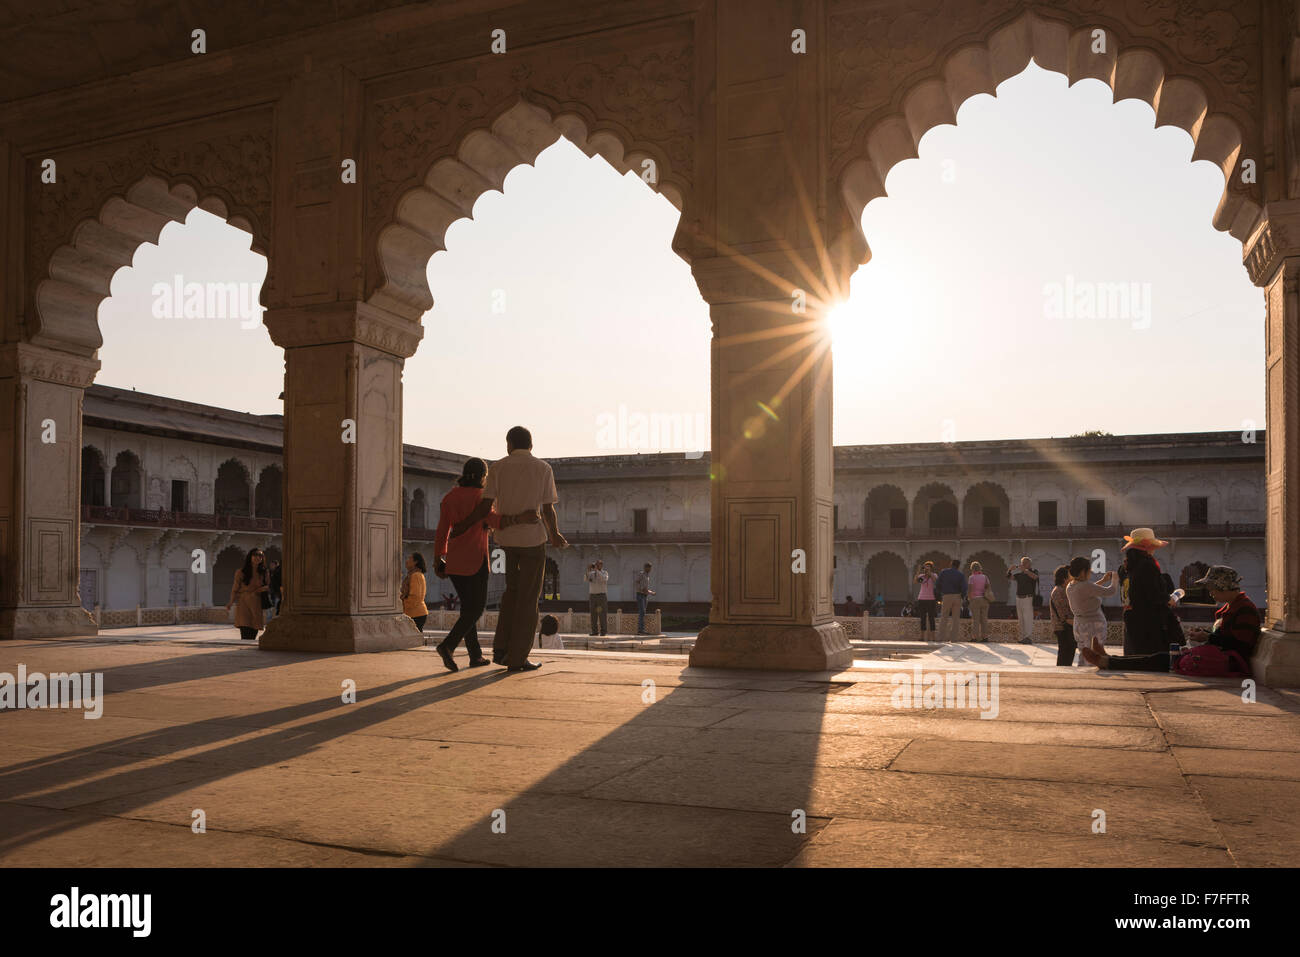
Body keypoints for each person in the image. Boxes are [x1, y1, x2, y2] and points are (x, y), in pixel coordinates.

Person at [451, 427, 567, 672]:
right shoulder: (543, 468)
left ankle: (501, 650)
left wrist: (463, 525)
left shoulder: (498, 467)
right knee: (528, 601)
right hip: (533, 542)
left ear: (509, 444)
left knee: (511, 595)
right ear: (531, 445)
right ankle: (517, 658)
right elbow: (547, 509)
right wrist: (555, 534)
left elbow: (485, 507)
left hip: (506, 541)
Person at [434, 456, 539, 673]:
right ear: (483, 477)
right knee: (476, 609)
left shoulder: (449, 497)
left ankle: (475, 656)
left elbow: (442, 531)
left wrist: (438, 559)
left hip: (454, 562)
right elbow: (495, 521)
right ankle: (448, 645)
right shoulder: (482, 497)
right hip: (475, 560)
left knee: (468, 609)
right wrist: (522, 518)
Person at [1081, 565, 1259, 673]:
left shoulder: (1244, 610)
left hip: (1229, 662)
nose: (1210, 592)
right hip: (1219, 657)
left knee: (1161, 660)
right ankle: (1108, 659)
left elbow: (1240, 645)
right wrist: (1206, 635)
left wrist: (1209, 637)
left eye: (1212, 587)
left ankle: (1107, 662)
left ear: (1223, 586)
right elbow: (1228, 638)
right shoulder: (1233, 607)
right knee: (1161, 658)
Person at [1120, 527, 1181, 655]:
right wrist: (1168, 599)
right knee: (1152, 658)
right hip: (1150, 620)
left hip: (1133, 618)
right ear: (1148, 547)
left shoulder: (1128, 567)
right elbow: (1154, 594)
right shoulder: (1147, 565)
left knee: (1137, 658)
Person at [1066, 557, 1117, 662]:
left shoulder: (1071, 585)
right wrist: (1115, 579)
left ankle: (1083, 673)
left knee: (1084, 653)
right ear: (1083, 572)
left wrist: (1103, 581)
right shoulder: (1085, 586)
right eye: (1089, 571)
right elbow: (1110, 591)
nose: (1090, 573)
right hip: (1093, 625)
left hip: (1079, 624)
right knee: (1095, 654)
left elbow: (1089, 590)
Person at [225, 547, 269, 641]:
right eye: (255, 555)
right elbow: (235, 589)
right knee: (245, 628)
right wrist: (231, 602)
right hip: (244, 602)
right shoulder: (241, 572)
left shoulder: (264, 572)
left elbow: (269, 586)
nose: (258, 557)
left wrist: (259, 590)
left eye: (260, 555)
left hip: (256, 602)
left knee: (254, 629)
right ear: (250, 557)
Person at [1006, 557, 1039, 644]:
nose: (1023, 565)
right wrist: (1009, 570)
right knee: (1021, 619)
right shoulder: (1020, 575)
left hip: (1028, 598)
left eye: (1025, 563)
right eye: (1022, 563)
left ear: (1029, 564)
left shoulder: (1033, 571)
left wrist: (1025, 570)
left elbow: (1035, 577)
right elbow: (1009, 577)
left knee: (1027, 618)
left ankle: (1028, 637)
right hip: (1019, 598)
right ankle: (1022, 637)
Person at [1049, 564, 1075, 666]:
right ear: (1065, 578)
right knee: (1065, 655)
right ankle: (1062, 675)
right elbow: (1064, 616)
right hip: (1063, 627)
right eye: (1070, 575)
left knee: (1067, 653)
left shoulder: (1063, 590)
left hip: (1064, 626)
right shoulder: (1059, 591)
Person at [936, 559, 966, 642]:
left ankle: (941, 638)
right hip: (957, 596)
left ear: (951, 564)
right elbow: (964, 587)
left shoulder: (944, 572)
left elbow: (938, 584)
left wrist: (941, 592)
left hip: (946, 595)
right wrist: (962, 596)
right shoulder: (960, 575)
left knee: (944, 617)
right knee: (955, 618)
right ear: (958, 566)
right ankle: (954, 639)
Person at [400, 552, 428, 636]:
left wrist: (402, 604)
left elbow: (415, 596)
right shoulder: (414, 574)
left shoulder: (416, 575)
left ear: (415, 562)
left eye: (409, 559)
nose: (406, 561)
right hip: (415, 612)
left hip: (416, 613)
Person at [967, 560, 993, 642]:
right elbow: (988, 588)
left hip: (975, 599)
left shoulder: (971, 577)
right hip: (984, 599)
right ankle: (985, 637)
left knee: (976, 619)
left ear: (972, 569)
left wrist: (969, 599)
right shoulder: (985, 577)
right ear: (980, 568)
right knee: (984, 619)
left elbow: (970, 589)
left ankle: (975, 637)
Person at [914, 561, 938, 636]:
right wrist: (918, 571)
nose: (926, 569)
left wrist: (929, 573)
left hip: (931, 599)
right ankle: (922, 636)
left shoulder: (934, 575)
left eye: (928, 567)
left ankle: (933, 636)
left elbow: (935, 581)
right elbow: (915, 581)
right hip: (921, 599)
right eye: (925, 567)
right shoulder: (922, 576)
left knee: (931, 618)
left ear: (931, 568)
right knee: (922, 618)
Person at [586, 560, 609, 636]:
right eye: (596, 564)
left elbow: (603, 579)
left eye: (598, 565)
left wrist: (596, 570)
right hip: (592, 596)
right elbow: (586, 579)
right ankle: (594, 631)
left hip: (601, 596)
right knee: (593, 615)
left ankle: (603, 631)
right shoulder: (592, 574)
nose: (597, 566)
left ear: (601, 565)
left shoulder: (604, 573)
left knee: (602, 614)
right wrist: (588, 569)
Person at [634, 563, 656, 634]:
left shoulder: (647, 576)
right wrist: (641, 589)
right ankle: (640, 630)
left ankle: (642, 629)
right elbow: (636, 582)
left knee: (643, 612)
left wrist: (651, 592)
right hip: (640, 595)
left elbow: (645, 588)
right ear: (645, 567)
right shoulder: (641, 574)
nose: (650, 569)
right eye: (648, 568)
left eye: (650, 568)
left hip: (645, 595)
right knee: (642, 612)